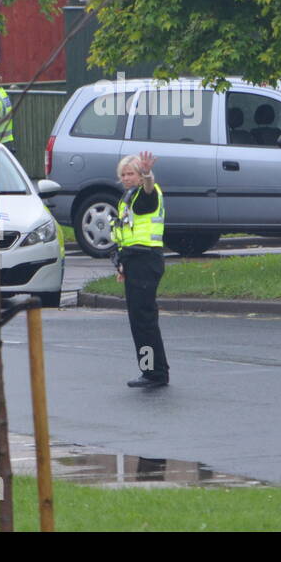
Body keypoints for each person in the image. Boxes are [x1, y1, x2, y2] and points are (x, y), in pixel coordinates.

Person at [112, 151, 168, 388]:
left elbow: (148, 191)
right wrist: (120, 264)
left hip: (146, 260)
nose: (126, 178)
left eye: (131, 173)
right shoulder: (127, 198)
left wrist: (147, 175)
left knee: (144, 320)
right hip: (134, 262)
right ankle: (151, 370)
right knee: (139, 320)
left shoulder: (147, 193)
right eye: (123, 174)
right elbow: (124, 234)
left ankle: (155, 373)